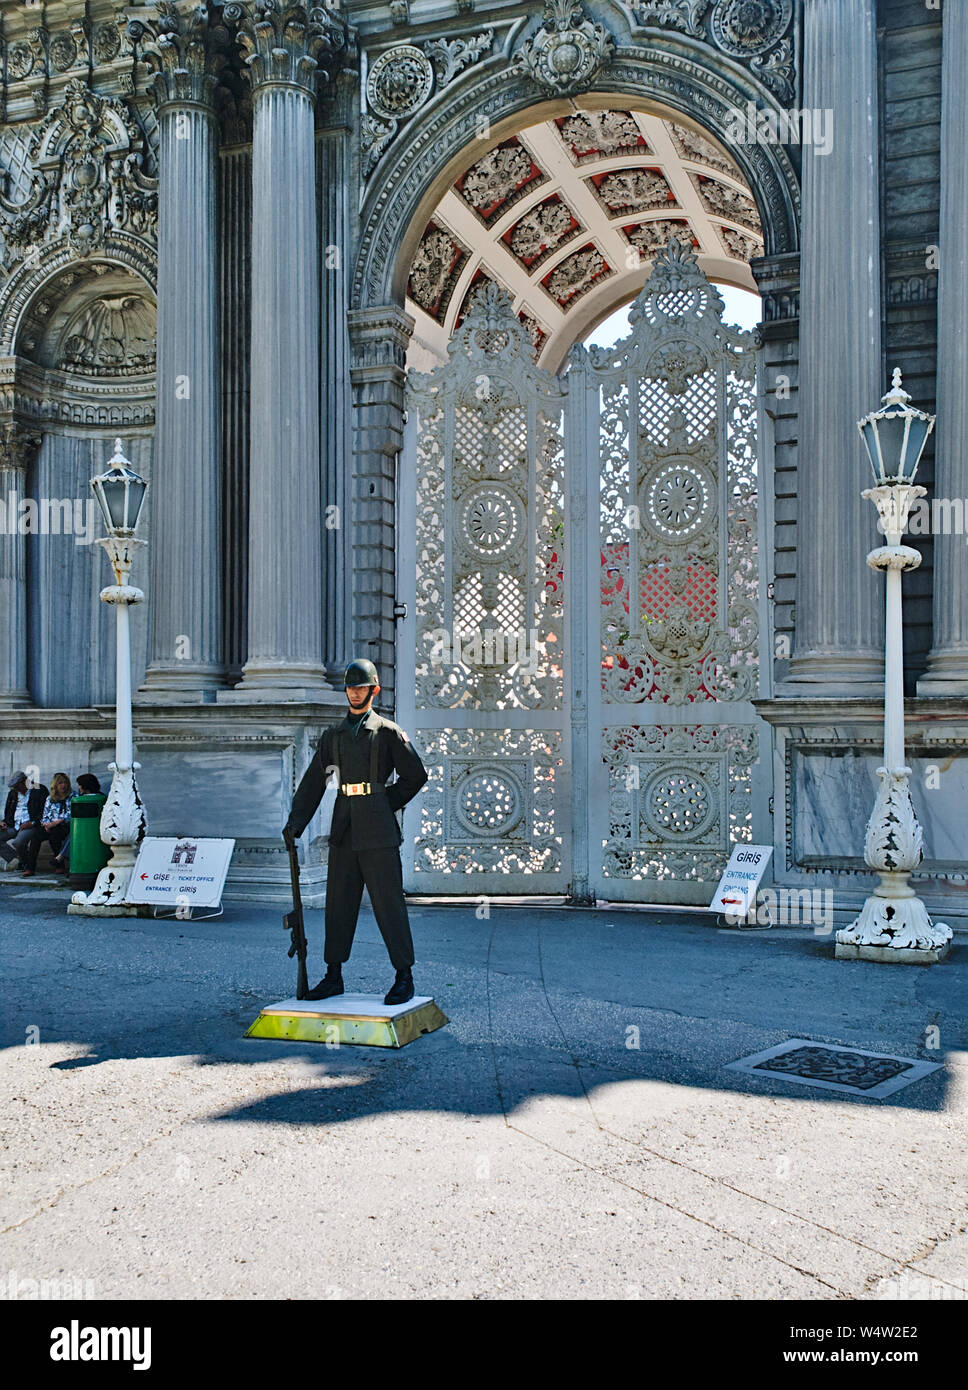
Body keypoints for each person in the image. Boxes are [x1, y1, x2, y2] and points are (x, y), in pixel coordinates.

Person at [283, 659, 428, 1006]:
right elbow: (315, 782)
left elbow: (416, 776)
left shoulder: (388, 733)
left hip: (378, 833)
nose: (355, 692)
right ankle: (333, 976)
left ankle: (403, 975)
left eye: (361, 687)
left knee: (388, 905)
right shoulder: (334, 737)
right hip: (345, 828)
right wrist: (295, 823)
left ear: (374, 690)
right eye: (350, 687)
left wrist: (383, 801)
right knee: (338, 906)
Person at [21, 773, 73, 877]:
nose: (63, 785)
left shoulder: (73, 796)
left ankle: (59, 865)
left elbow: (71, 814)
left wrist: (56, 822)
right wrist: (46, 825)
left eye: (65, 782)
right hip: (49, 825)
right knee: (36, 837)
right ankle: (30, 867)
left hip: (64, 825)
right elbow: (45, 814)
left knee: (55, 836)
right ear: (55, 785)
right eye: (60, 783)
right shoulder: (50, 798)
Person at [51, 772, 103, 874]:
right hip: (81, 830)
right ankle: (61, 857)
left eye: (80, 785)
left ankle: (60, 857)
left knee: (74, 835)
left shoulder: (93, 798)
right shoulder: (82, 797)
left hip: (94, 831)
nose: (78, 787)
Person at [0, 772, 49, 870]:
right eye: (14, 787)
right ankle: (19, 859)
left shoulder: (39, 789)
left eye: (17, 786)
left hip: (30, 824)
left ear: (24, 781)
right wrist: (3, 822)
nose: (15, 789)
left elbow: (46, 811)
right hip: (14, 825)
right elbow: (8, 811)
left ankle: (26, 863)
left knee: (18, 842)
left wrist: (32, 823)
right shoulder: (13, 793)